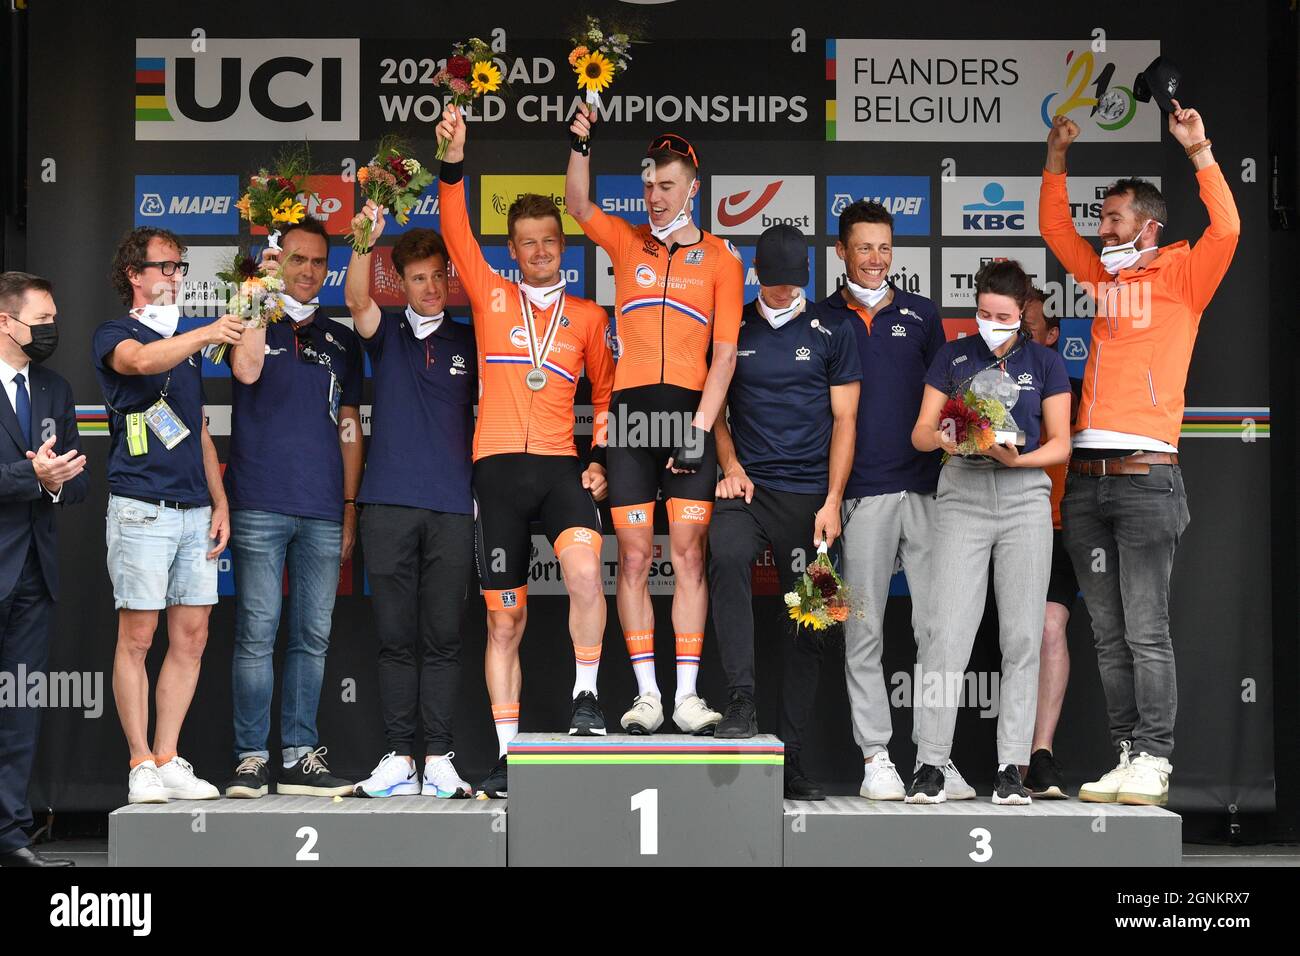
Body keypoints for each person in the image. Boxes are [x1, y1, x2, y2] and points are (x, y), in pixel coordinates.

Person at [1041, 102, 1239, 806]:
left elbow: (1230, 227)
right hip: (1088, 484)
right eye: (1104, 219)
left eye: (1115, 218)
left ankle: (1155, 757)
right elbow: (1054, 228)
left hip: (1148, 476)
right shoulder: (1100, 278)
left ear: (1148, 226)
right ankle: (1127, 754)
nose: (1103, 228)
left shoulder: (1184, 274)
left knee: (1147, 630)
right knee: (1109, 634)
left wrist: (1199, 149)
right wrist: (1058, 156)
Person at [439, 106, 614, 799]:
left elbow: (606, 393)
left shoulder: (589, 318)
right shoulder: (489, 293)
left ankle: (587, 699)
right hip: (497, 470)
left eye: (549, 242)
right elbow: (454, 227)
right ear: (511, 249)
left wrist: (598, 455)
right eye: (527, 244)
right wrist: (454, 160)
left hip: (559, 467)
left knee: (583, 575)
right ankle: (509, 751)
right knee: (504, 616)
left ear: (563, 245)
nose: (539, 252)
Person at [567, 104, 743, 735]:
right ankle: (647, 695)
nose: (655, 196)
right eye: (648, 185)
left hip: (688, 417)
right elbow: (579, 205)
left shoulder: (723, 258)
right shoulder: (627, 240)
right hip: (633, 417)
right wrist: (580, 141)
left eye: (668, 186)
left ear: (693, 188)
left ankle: (688, 695)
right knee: (636, 557)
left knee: (690, 557)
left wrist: (699, 428)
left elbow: (724, 356)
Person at [820, 200, 976, 801]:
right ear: (841, 251)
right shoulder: (822, 318)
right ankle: (876, 755)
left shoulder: (922, 313)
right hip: (860, 495)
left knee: (939, 630)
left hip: (929, 490)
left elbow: (947, 397)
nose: (876, 259)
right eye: (864, 247)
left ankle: (934, 758)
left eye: (884, 247)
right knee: (864, 630)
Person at [908, 260, 1071, 805]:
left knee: (1022, 637)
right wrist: (957, 437)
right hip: (963, 492)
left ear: (1023, 313)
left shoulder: (1045, 362)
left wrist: (1017, 459)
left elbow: (1060, 445)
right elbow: (922, 434)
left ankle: (1010, 767)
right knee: (946, 632)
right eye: (982, 313)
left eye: (1002, 316)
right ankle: (930, 763)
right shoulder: (954, 355)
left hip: (1025, 498)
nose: (990, 322)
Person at [707, 225, 860, 801]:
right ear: (757, 278)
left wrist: (832, 501)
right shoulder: (736, 325)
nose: (780, 294)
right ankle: (741, 700)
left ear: (805, 279)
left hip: (812, 497)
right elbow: (716, 407)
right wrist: (730, 465)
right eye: (771, 285)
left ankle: (792, 756)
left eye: (790, 285)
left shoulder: (834, 327)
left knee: (816, 620)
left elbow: (846, 421)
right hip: (750, 487)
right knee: (724, 554)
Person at [93, 229, 238, 805]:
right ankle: (139, 762)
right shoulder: (116, 332)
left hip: (194, 508)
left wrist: (220, 499)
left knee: (193, 636)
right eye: (166, 266)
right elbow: (142, 361)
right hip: (140, 507)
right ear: (135, 272)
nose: (176, 275)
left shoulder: (186, 334)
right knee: (139, 634)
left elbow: (196, 423)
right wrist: (204, 330)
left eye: (181, 266)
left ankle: (169, 756)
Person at [223, 216, 363, 799]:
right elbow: (245, 369)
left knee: (313, 635)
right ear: (279, 260)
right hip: (259, 502)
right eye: (297, 259)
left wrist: (350, 505)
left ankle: (300, 754)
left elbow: (351, 427)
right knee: (257, 633)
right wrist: (257, 289)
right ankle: (251, 758)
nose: (308, 271)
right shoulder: (250, 318)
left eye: (317, 262)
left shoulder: (343, 339)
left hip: (325, 507)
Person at [343, 201, 477, 799]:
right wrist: (363, 243)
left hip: (451, 507)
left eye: (437, 275)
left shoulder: (471, 341)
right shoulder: (385, 332)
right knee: (396, 638)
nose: (429, 287)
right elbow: (354, 301)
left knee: (443, 638)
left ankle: (441, 757)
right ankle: (400, 756)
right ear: (400, 281)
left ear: (449, 276)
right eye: (417, 277)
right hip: (387, 507)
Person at [0, 272, 85, 867]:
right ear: (6, 322)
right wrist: (33, 476)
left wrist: (54, 482)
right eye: (42, 320)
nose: (52, 330)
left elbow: (74, 481)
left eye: (55, 318)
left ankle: (11, 834)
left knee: (18, 710)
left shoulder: (55, 388)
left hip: (35, 574)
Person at [1020, 286, 1082, 799]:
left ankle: (1039, 755)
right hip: (996, 525)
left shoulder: (1080, 388)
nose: (1020, 339)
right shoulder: (983, 378)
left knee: (1048, 626)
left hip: (1060, 528)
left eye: (1031, 329)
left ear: (1053, 336)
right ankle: (939, 760)